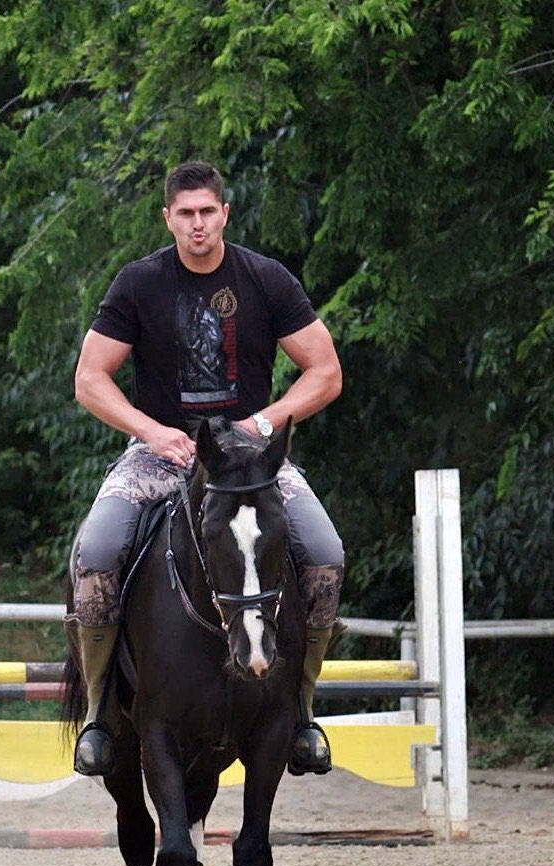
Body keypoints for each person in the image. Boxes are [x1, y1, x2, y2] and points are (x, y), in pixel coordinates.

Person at [69, 161, 344, 777]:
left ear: (225, 212)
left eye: (207, 212)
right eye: (185, 214)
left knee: (325, 555)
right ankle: (98, 713)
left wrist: (262, 425)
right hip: (162, 454)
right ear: (168, 219)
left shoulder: (266, 279)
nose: (197, 224)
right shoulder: (140, 283)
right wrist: (150, 430)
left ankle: (301, 711)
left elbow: (325, 372)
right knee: (97, 553)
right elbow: (90, 379)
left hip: (249, 462)